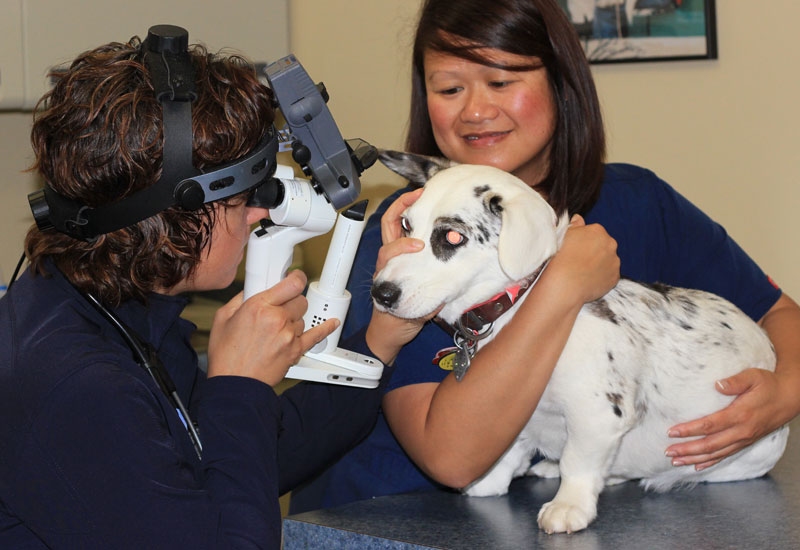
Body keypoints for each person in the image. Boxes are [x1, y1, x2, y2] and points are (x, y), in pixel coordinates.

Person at [289, 0, 800, 513]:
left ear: (561, 83)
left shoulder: (638, 200)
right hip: (386, 516)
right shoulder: (401, 241)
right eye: (448, 88)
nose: (475, 110)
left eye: (502, 81)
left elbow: (778, 313)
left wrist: (784, 393)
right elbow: (452, 459)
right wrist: (561, 287)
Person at [0, 30, 395, 549]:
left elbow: (240, 457)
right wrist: (238, 385)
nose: (260, 213)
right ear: (176, 214)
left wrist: (382, 340)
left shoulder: (112, 302)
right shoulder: (78, 384)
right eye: (243, 198)